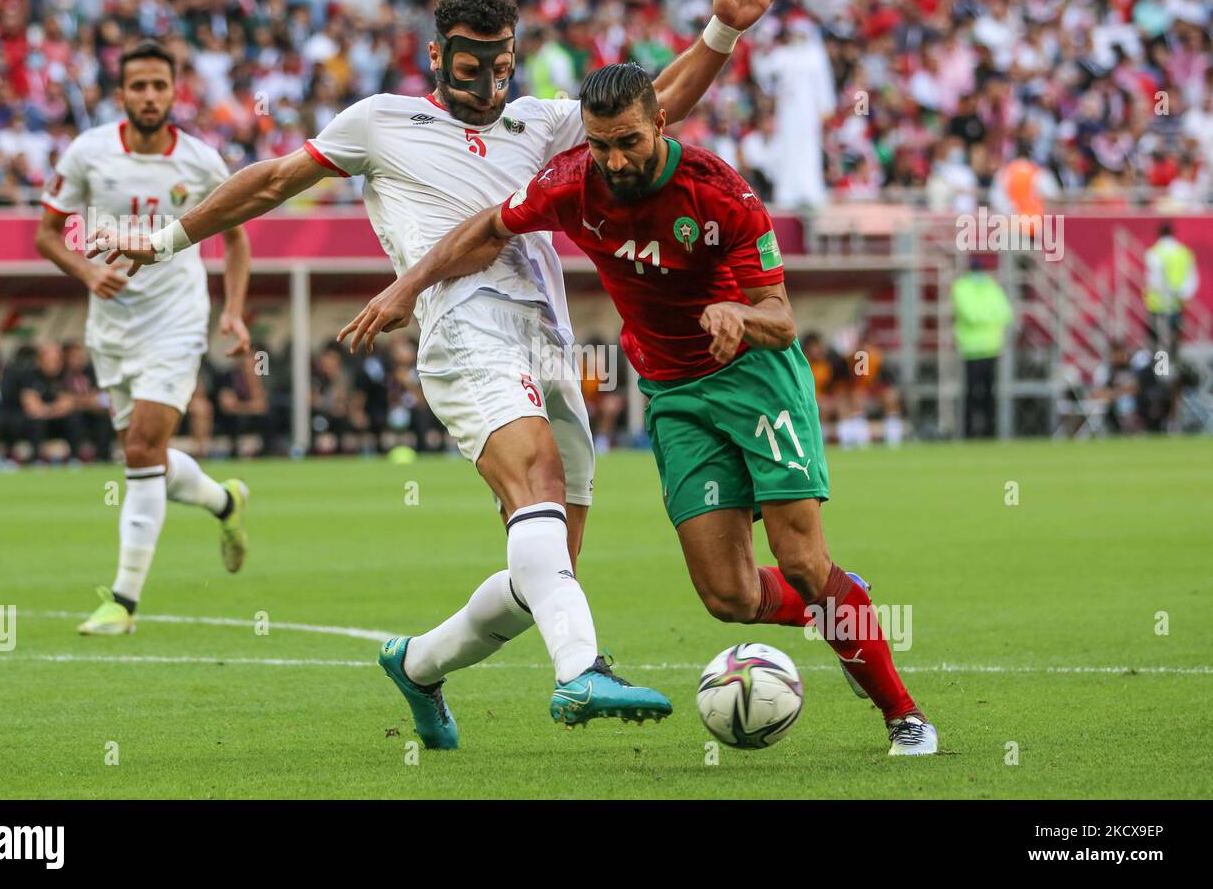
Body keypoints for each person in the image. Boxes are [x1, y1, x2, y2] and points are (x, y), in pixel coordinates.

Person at [93, 0, 800, 746]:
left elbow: (651, 106)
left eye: (501, 66)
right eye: (471, 67)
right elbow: (270, 182)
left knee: (548, 568)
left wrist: (723, 28)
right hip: (461, 326)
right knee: (536, 477)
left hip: (547, 341)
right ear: (436, 55)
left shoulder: (541, 122)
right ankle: (582, 670)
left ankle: (419, 664)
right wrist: (160, 242)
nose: (489, 83)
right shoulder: (380, 121)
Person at [351, 63, 937, 756]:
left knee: (803, 560)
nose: (615, 160)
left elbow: (782, 317)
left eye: (628, 141)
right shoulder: (573, 183)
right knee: (730, 597)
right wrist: (405, 288)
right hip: (673, 393)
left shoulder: (720, 195)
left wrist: (737, 314)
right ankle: (844, 604)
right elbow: (487, 227)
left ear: (661, 122)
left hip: (756, 379)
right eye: (600, 144)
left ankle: (904, 716)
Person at [34, 40, 253, 635]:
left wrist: (232, 312)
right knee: (143, 453)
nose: (150, 96)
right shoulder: (88, 153)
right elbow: (47, 234)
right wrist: (86, 270)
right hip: (110, 329)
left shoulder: (203, 162)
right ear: (122, 94)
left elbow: (235, 236)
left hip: (178, 322)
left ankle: (123, 604)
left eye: (160, 85)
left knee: (141, 451)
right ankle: (225, 502)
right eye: (139, 86)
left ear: (175, 90)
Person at [951, 256, 1013, 439]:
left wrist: (982, 317)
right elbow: (970, 314)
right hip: (972, 350)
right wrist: (989, 318)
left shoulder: (989, 286)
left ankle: (989, 431)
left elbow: (1005, 313)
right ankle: (970, 431)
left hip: (990, 348)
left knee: (989, 393)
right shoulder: (963, 287)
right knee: (972, 393)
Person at [1144, 222, 1199, 360]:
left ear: (1159, 234)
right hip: (1176, 302)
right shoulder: (1184, 252)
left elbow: (1154, 280)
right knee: (1174, 337)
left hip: (1157, 303)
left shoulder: (1154, 253)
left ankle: (1160, 372)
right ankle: (1174, 369)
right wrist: (1184, 295)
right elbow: (1191, 277)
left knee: (1159, 342)